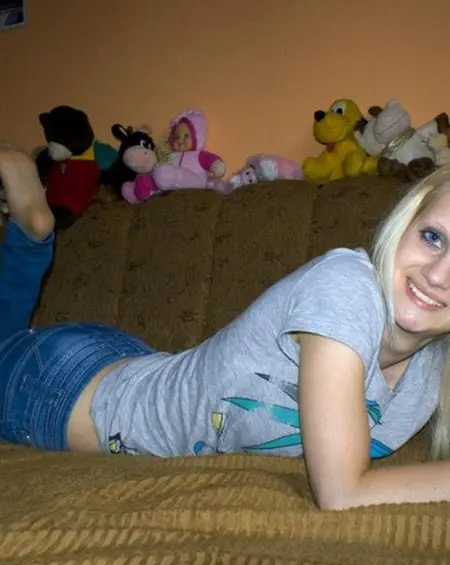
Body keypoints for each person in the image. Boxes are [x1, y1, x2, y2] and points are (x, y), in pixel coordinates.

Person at [2, 143, 450, 512]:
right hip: (58, 388)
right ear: (402, 226)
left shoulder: (433, 368)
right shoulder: (347, 286)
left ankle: (29, 235)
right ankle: (31, 237)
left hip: (128, 360)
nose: (437, 275)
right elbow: (342, 493)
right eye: (433, 238)